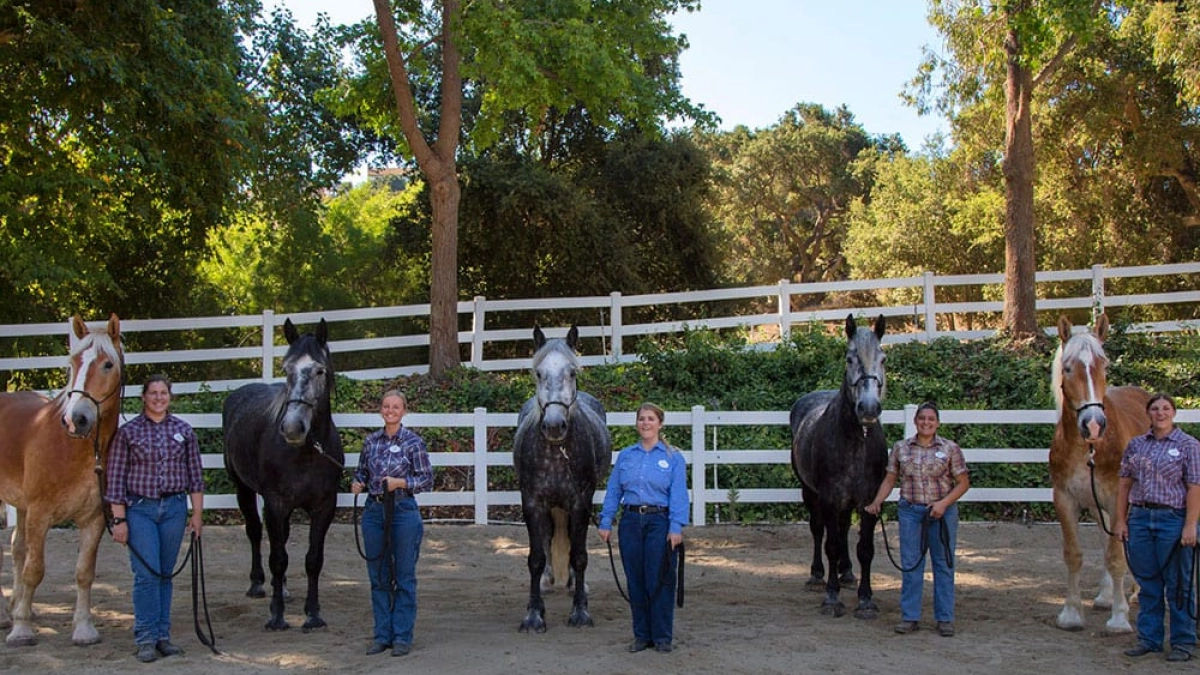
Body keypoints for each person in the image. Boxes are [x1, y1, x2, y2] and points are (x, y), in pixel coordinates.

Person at [104, 374, 204, 663]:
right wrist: (119, 519)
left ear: (169, 396)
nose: (159, 397)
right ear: (144, 397)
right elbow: (116, 479)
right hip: (140, 509)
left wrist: (196, 515)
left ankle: (163, 635)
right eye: (153, 393)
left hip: (173, 508)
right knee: (146, 574)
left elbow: (195, 478)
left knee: (164, 572)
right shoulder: (129, 433)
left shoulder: (184, 431)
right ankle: (146, 637)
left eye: (163, 393)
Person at [866, 401, 970, 638]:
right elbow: (890, 479)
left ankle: (945, 618)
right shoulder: (901, 448)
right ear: (916, 421)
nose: (926, 423)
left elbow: (963, 483)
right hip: (911, 512)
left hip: (941, 513)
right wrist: (877, 501)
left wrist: (944, 504)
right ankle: (910, 616)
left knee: (943, 564)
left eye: (930, 419)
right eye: (922, 418)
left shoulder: (950, 448)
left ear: (937, 423)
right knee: (911, 563)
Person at [1113, 392, 1200, 663]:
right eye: (1155, 409)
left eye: (1165, 408)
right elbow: (1125, 484)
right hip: (1141, 517)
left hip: (1172, 518)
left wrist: (1190, 526)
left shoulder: (1189, 446)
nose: (1160, 413)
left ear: (1173, 413)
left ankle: (1183, 640)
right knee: (1148, 581)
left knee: (1178, 584)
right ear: (1148, 414)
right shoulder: (1136, 445)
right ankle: (1149, 638)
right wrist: (1121, 519)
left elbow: (1194, 488)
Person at [598, 402, 689, 654]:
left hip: (659, 522)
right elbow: (614, 490)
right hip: (630, 521)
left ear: (660, 423)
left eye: (650, 419)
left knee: (659, 579)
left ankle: (662, 636)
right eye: (641, 419)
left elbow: (678, 495)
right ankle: (641, 635)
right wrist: (606, 520)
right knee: (636, 579)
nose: (645, 423)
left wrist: (676, 527)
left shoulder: (673, 458)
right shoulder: (626, 456)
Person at [351, 390, 433, 657]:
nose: (390, 410)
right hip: (374, 511)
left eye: (395, 407)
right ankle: (382, 634)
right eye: (386, 406)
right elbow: (362, 470)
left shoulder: (413, 442)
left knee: (405, 575)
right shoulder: (371, 441)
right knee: (378, 576)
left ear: (404, 411)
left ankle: (402, 636)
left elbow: (426, 480)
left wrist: (401, 483)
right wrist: (358, 482)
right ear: (380, 410)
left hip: (402, 510)